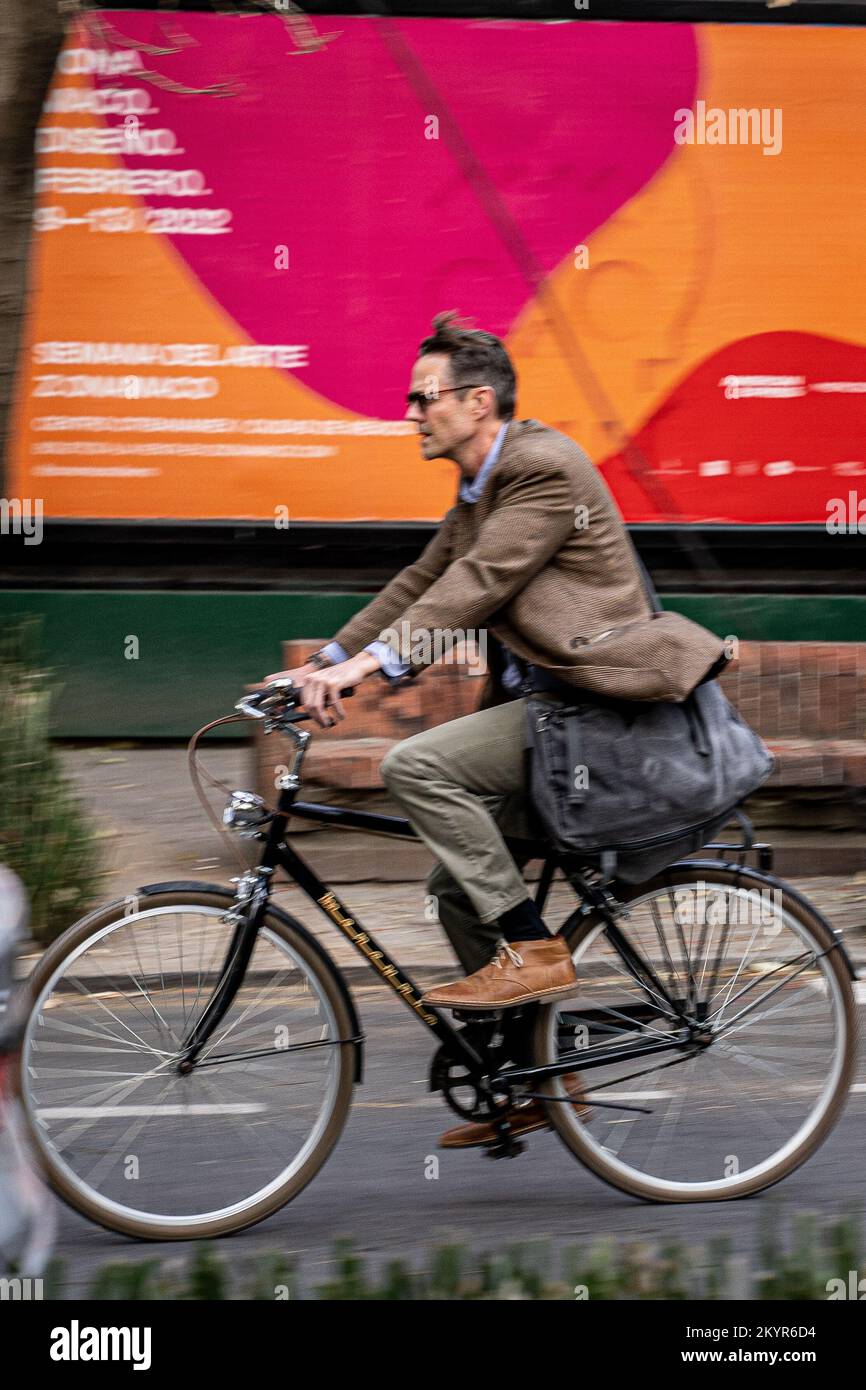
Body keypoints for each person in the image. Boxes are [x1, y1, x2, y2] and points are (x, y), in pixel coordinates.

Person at [266, 311, 724, 1148]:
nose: (410, 412)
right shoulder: (481, 488)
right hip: (548, 724)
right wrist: (322, 663)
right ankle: (540, 1080)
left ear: (478, 403)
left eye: (422, 397)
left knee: (421, 769)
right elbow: (421, 582)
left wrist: (362, 674)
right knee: (454, 889)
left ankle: (534, 952)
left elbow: (474, 587)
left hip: (594, 718)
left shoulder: (542, 471)